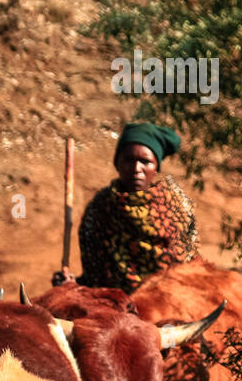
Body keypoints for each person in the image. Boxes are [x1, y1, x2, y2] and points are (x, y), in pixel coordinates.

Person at [53, 122, 199, 292]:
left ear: (156, 166)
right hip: (112, 308)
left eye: (145, 162)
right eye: (128, 160)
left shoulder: (177, 209)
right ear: (117, 164)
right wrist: (72, 283)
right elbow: (93, 278)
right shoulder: (99, 209)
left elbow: (190, 271)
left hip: (166, 305)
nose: (136, 169)